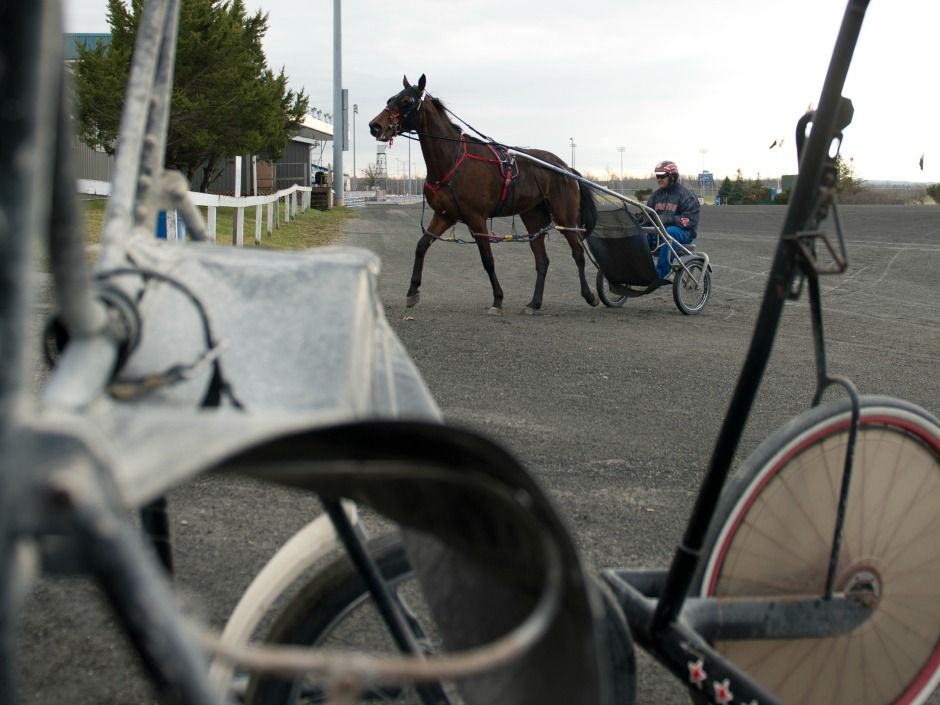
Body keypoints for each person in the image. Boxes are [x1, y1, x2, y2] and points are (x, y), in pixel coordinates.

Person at [646, 160, 700, 279]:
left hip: (685, 233)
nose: (659, 179)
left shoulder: (686, 196)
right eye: (657, 176)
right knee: (641, 233)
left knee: (670, 232)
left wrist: (668, 219)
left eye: (662, 176)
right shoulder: (656, 195)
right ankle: (640, 268)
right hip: (661, 232)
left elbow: (689, 221)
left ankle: (660, 274)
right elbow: (648, 214)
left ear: (672, 176)